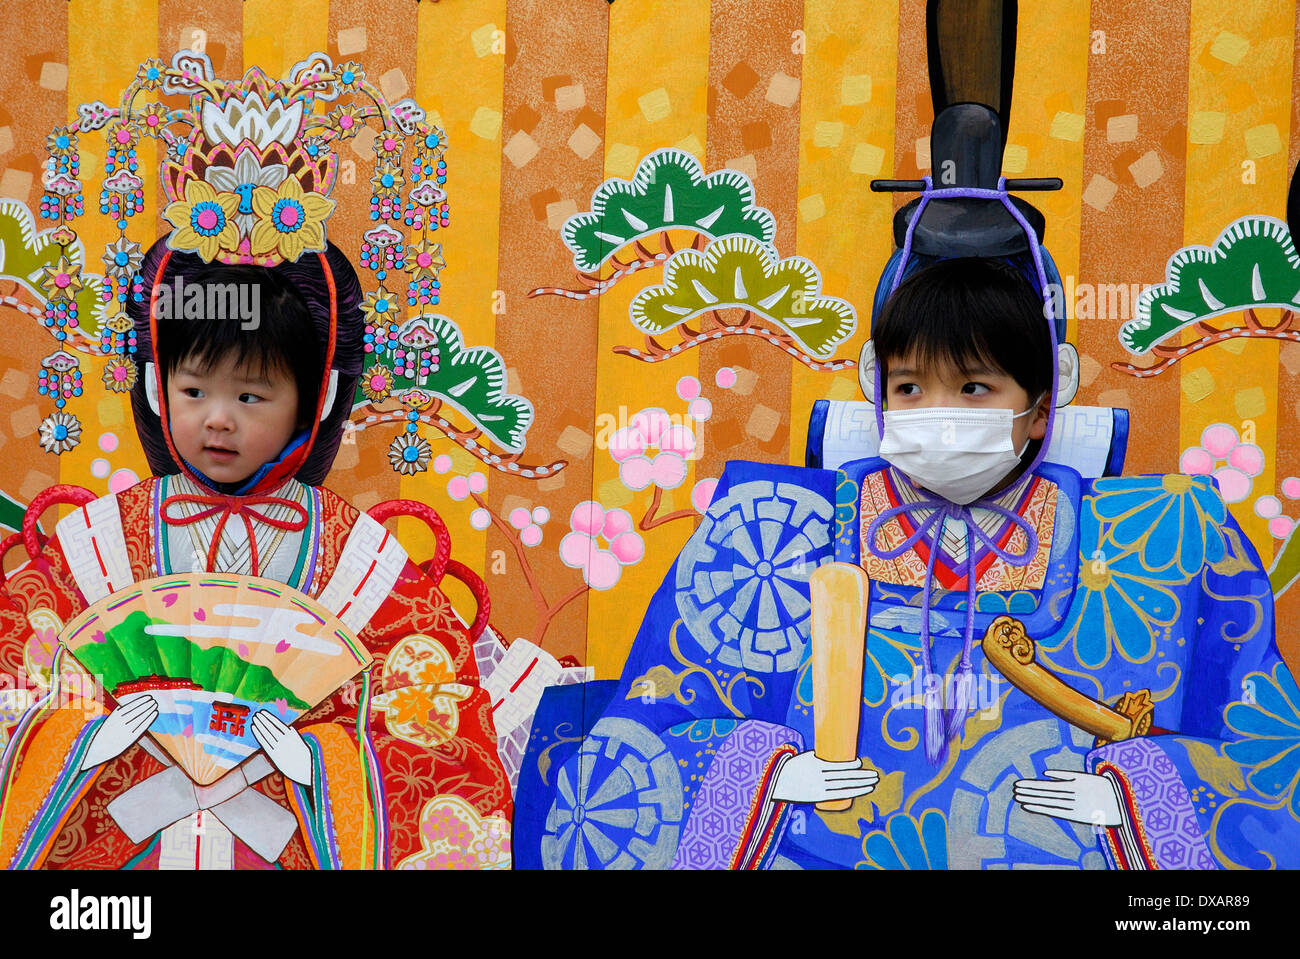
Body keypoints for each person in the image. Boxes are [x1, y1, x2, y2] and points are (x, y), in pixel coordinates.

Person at [526, 254, 1295, 870]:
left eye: (973, 386)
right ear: (876, 391)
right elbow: (645, 731)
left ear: (1038, 407)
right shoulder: (771, 525)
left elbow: (1266, 756)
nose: (939, 413)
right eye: (909, 386)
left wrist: (1136, 802)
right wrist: (761, 779)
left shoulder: (1171, 534)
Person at [0, 242, 511, 869]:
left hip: (289, 843)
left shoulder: (358, 561)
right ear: (157, 389)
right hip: (123, 847)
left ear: (316, 399)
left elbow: (431, 729)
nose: (218, 421)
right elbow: (18, 684)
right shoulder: (97, 545)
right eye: (193, 390)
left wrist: (318, 762)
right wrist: (86, 739)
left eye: (250, 397)